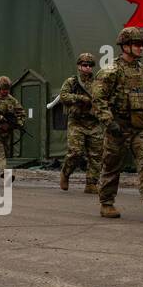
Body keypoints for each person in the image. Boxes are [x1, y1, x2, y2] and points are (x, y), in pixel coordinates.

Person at [91, 26, 143, 221]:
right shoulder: (111, 71)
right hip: (117, 126)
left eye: (142, 44)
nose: (141, 48)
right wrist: (108, 122)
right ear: (125, 46)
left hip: (140, 127)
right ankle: (107, 202)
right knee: (112, 165)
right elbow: (98, 98)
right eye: (137, 44)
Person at [58, 52, 102, 193]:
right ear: (79, 66)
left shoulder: (98, 82)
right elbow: (63, 96)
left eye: (90, 65)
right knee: (75, 152)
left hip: (93, 122)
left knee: (96, 155)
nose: (87, 67)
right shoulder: (72, 82)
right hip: (76, 122)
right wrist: (80, 98)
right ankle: (65, 173)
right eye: (85, 65)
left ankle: (91, 183)